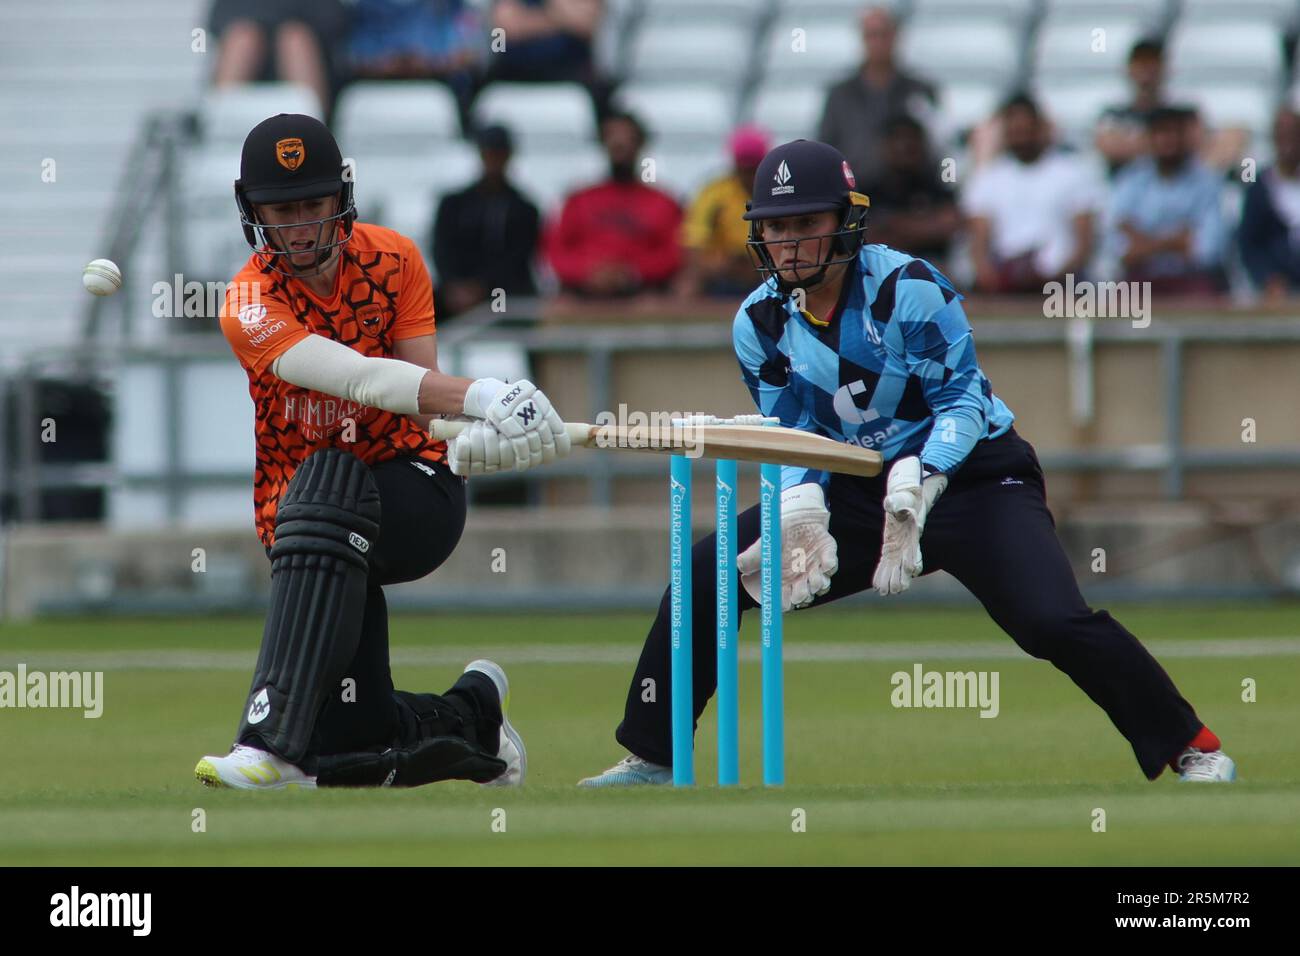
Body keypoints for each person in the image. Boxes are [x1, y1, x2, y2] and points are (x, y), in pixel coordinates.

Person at [577, 139, 1236, 788]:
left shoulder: (908, 289)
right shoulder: (760, 322)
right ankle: (654, 758)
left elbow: (962, 403)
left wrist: (918, 481)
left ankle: (1190, 745)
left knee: (1049, 621)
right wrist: (803, 505)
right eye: (776, 227)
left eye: (807, 224)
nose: (790, 243)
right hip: (857, 488)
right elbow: (792, 428)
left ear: (847, 222)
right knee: (705, 576)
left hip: (975, 479)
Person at [196, 113, 571, 790]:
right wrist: (483, 393)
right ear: (253, 213)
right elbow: (362, 378)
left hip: (412, 489)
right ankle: (474, 717)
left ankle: (267, 741)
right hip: (303, 525)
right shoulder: (248, 302)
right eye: (282, 211)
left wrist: (475, 438)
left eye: (313, 205)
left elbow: (421, 404)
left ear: (340, 197)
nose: (302, 227)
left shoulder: (394, 261)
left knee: (334, 477)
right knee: (352, 742)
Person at [964, 93, 1102, 294]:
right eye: (1015, 131)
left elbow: (1085, 241)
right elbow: (978, 244)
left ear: (1040, 128)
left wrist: (1054, 279)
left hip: (1062, 285)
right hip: (1006, 282)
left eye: (1026, 129)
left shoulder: (1074, 173)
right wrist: (993, 279)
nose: (1022, 136)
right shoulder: (986, 179)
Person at [544, 111, 684, 296]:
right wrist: (588, 273)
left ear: (640, 144)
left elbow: (674, 253)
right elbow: (556, 250)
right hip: (583, 291)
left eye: (627, 138)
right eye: (612, 137)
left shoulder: (663, 202)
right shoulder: (579, 200)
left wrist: (634, 273)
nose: (619, 144)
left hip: (644, 291)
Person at [1106, 106, 1225, 296]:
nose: (1167, 141)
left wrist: (1144, 241)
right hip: (1139, 281)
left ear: (1185, 138)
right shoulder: (1130, 181)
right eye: (1160, 132)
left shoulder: (1207, 183)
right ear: (1149, 138)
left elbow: (1207, 251)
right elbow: (1119, 249)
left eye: (1174, 133)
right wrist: (1175, 241)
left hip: (1190, 280)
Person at [817, 5, 937, 188]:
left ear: (896, 36)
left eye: (883, 34)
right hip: (853, 194)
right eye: (872, 35)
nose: (878, 42)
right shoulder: (840, 94)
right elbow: (825, 149)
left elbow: (936, 147)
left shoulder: (921, 90)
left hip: (910, 198)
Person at [431, 124, 541, 318]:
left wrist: (481, 286)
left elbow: (518, 258)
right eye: (489, 153)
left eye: (498, 153)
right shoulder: (453, 204)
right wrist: (453, 284)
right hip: (456, 290)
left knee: (511, 306)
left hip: (501, 291)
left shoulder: (524, 209)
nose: (493, 159)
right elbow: (441, 248)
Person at [678, 125, 771, 298]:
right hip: (721, 275)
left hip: (768, 273)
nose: (749, 177)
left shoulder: (777, 194)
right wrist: (719, 266)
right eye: (744, 170)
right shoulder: (714, 194)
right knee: (688, 284)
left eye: (754, 170)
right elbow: (694, 247)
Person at [208, 0, 348, 115]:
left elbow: (334, 24)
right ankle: (218, 125)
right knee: (242, 38)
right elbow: (218, 23)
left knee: (295, 39)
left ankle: (311, 132)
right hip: (249, 63)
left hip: (309, 62)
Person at [857, 112, 959, 266]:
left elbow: (947, 227)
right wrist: (922, 225)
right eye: (897, 139)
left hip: (930, 268)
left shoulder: (936, 187)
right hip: (879, 268)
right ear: (884, 145)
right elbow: (866, 236)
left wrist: (892, 225)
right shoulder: (866, 189)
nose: (905, 146)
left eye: (911, 139)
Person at [1238, 105, 1300, 302]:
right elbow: (1249, 243)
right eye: (1282, 135)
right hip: (1275, 287)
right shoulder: (1259, 189)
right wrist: (1267, 278)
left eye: (1293, 135)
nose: (1288, 142)